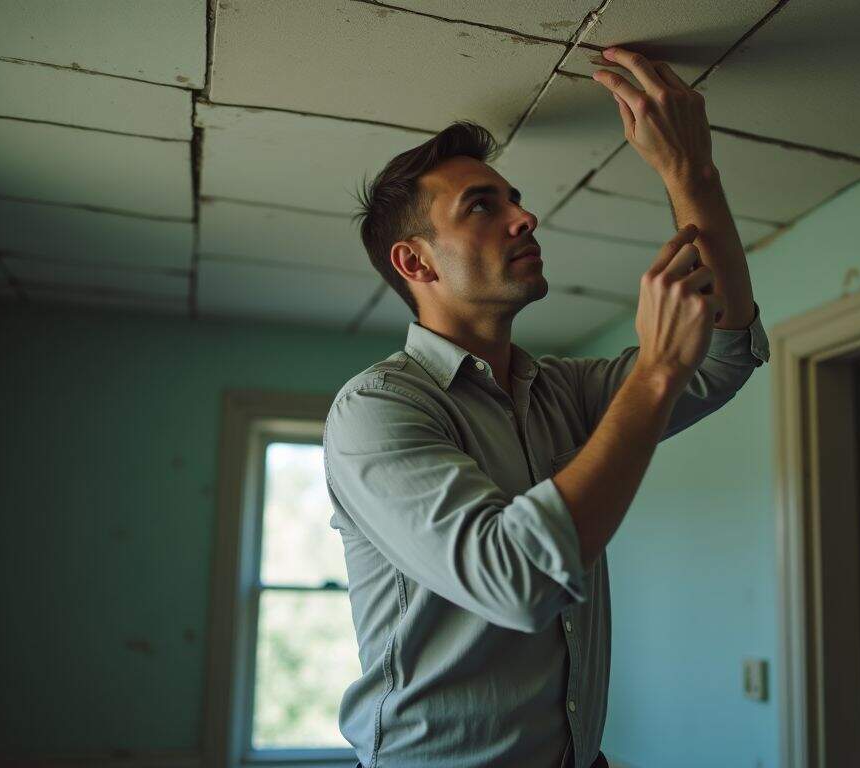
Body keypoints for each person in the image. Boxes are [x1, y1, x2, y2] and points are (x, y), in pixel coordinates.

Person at [324, 47, 769, 768]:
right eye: (483, 206)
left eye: (514, 198)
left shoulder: (561, 389)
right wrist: (654, 372)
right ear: (416, 263)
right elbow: (515, 579)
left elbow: (724, 354)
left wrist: (691, 174)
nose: (526, 217)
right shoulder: (376, 410)